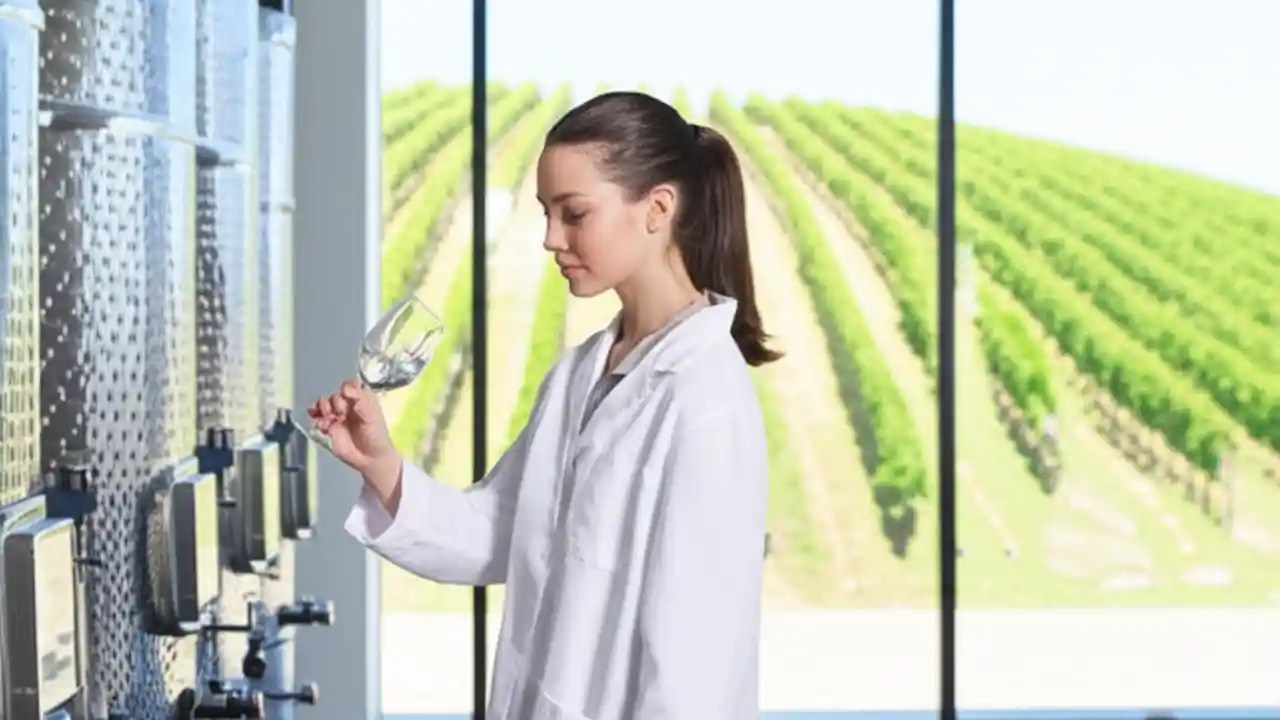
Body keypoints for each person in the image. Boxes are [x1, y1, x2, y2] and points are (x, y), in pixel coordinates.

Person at [309, 90, 780, 719]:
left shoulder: (704, 399)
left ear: (657, 209)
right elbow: (501, 532)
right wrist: (382, 467)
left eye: (574, 213)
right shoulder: (581, 372)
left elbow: (693, 667)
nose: (551, 238)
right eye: (546, 213)